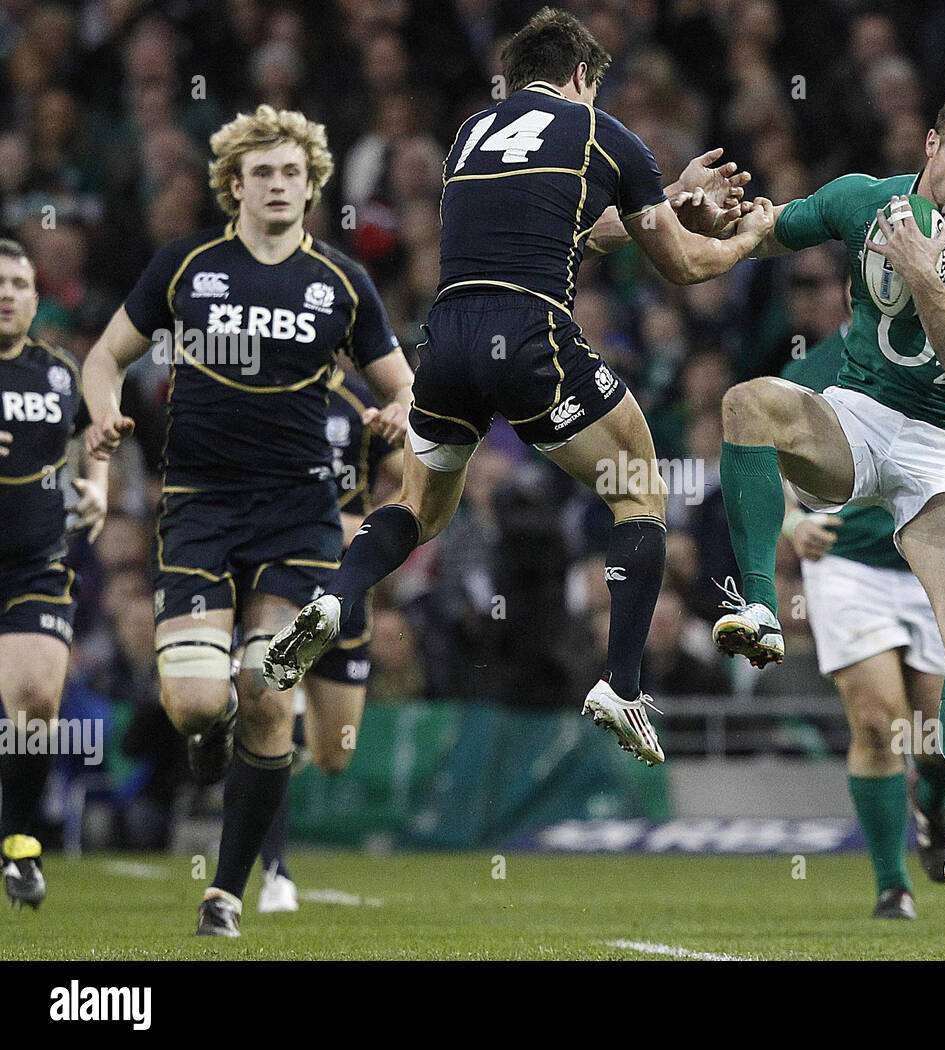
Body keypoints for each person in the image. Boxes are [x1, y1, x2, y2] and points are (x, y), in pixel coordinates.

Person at [263, 7, 774, 770]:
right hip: (530, 333)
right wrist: (750, 236)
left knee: (415, 507)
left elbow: (569, 228)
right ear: (580, 76)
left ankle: (338, 596)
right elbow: (686, 267)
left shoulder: (470, 135)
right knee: (639, 487)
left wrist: (666, 200)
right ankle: (622, 684)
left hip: (445, 342)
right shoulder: (604, 132)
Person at [82, 105, 416, 938]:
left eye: (291, 174)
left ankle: (225, 894)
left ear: (312, 188)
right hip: (198, 509)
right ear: (234, 186)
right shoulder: (185, 266)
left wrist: (397, 415)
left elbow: (404, 386)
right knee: (199, 702)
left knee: (269, 689)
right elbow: (103, 358)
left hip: (301, 515)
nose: (277, 185)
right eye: (261, 173)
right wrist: (99, 413)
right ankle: (203, 736)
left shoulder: (342, 282)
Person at [711, 85, 945, 899]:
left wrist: (924, 278)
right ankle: (758, 606)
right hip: (860, 416)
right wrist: (718, 224)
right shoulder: (865, 199)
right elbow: (773, 227)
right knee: (747, 404)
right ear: (931, 144)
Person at [779, 265, 945, 919]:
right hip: (849, 565)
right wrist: (796, 523)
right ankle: (891, 886)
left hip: (931, 564)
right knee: (877, 720)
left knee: (941, 743)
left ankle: (932, 804)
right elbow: (762, 467)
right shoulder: (810, 373)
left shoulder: (943, 355)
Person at [256, 365, 403, 913]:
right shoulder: (259, 394)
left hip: (343, 592)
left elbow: (416, 481)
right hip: (279, 579)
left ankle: (270, 735)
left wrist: (403, 429)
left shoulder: (358, 404)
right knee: (270, 717)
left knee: (334, 753)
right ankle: (276, 871)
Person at [0, 238, 108, 909]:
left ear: (35, 300)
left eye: (19, 283)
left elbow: (99, 431)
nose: (7, 293)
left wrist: (95, 483)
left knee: (38, 703)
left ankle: (19, 845)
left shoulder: (59, 372)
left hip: (33, 566)